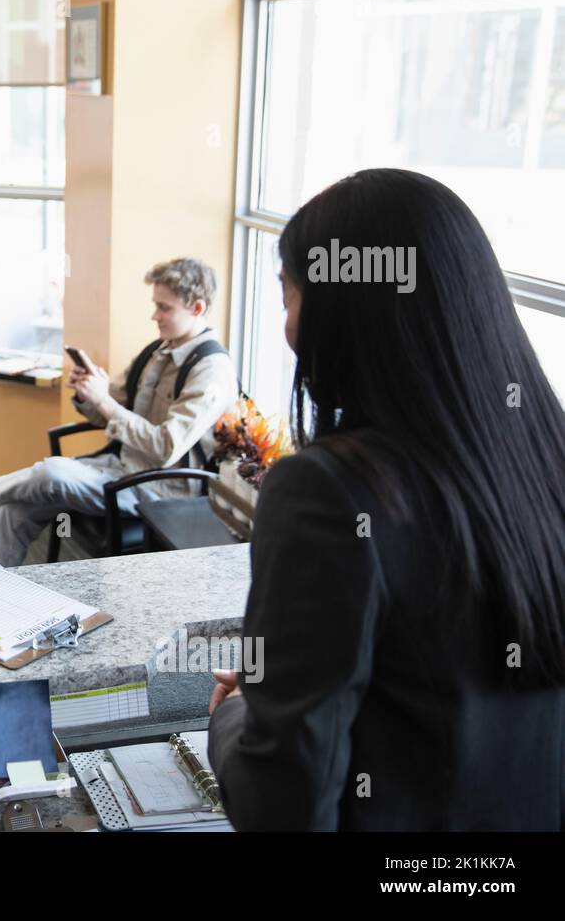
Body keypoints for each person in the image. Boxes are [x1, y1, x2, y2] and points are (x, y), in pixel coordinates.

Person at [207, 168, 565, 830]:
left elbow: (282, 803)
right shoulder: (543, 454)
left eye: (288, 297)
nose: (288, 325)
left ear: (340, 309)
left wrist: (235, 716)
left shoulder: (327, 492)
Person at [0, 258, 237, 566]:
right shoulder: (157, 351)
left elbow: (166, 447)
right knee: (16, 507)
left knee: (52, 472)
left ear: (197, 308)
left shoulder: (211, 371)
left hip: (158, 488)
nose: (155, 316)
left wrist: (105, 402)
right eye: (155, 305)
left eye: (164, 308)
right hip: (119, 466)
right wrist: (90, 395)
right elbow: (109, 414)